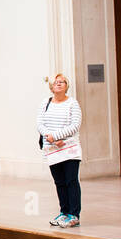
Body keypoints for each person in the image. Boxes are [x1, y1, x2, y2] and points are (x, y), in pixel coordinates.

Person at [37, 73, 82, 227]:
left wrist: (55, 136)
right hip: (52, 149)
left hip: (68, 148)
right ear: (51, 86)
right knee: (59, 182)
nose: (59, 84)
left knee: (71, 181)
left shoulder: (73, 103)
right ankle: (64, 212)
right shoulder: (46, 103)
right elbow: (40, 123)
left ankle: (74, 215)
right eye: (56, 82)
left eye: (62, 82)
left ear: (66, 86)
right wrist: (50, 137)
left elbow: (75, 126)